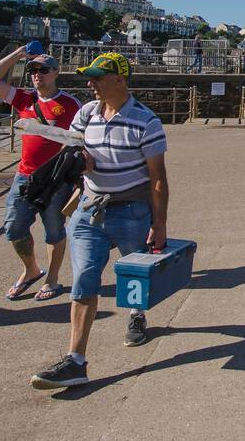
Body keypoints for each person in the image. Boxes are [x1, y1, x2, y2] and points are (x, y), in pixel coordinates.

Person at [30, 52, 169, 389]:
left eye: (96, 77)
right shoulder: (86, 114)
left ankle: (136, 315)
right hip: (90, 210)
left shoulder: (145, 121)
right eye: (88, 77)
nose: (89, 83)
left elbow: (158, 179)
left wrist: (159, 223)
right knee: (84, 282)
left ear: (119, 80)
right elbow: (73, 150)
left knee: (133, 275)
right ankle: (76, 360)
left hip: (132, 210)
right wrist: (80, 161)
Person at [0, 44, 81, 303]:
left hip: (57, 179)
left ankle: (53, 279)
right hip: (25, 176)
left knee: (54, 230)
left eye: (43, 70)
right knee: (14, 227)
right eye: (33, 70)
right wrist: (17, 55)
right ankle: (31, 270)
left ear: (56, 72)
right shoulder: (25, 99)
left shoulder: (70, 104)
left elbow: (83, 139)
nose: (37, 74)